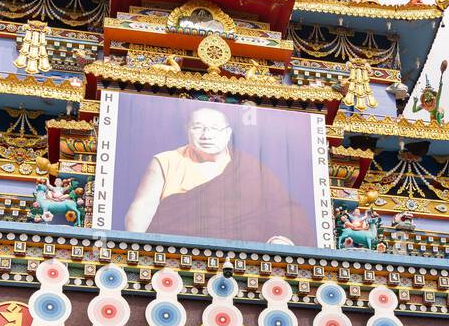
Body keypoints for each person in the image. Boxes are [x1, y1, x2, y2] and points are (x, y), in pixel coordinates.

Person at [122, 105, 317, 245]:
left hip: (241, 261)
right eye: (198, 128)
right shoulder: (165, 161)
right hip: (173, 253)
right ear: (187, 131)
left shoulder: (249, 168)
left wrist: (282, 238)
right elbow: (142, 208)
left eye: (214, 129)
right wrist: (137, 249)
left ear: (228, 133)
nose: (206, 135)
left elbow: (284, 209)